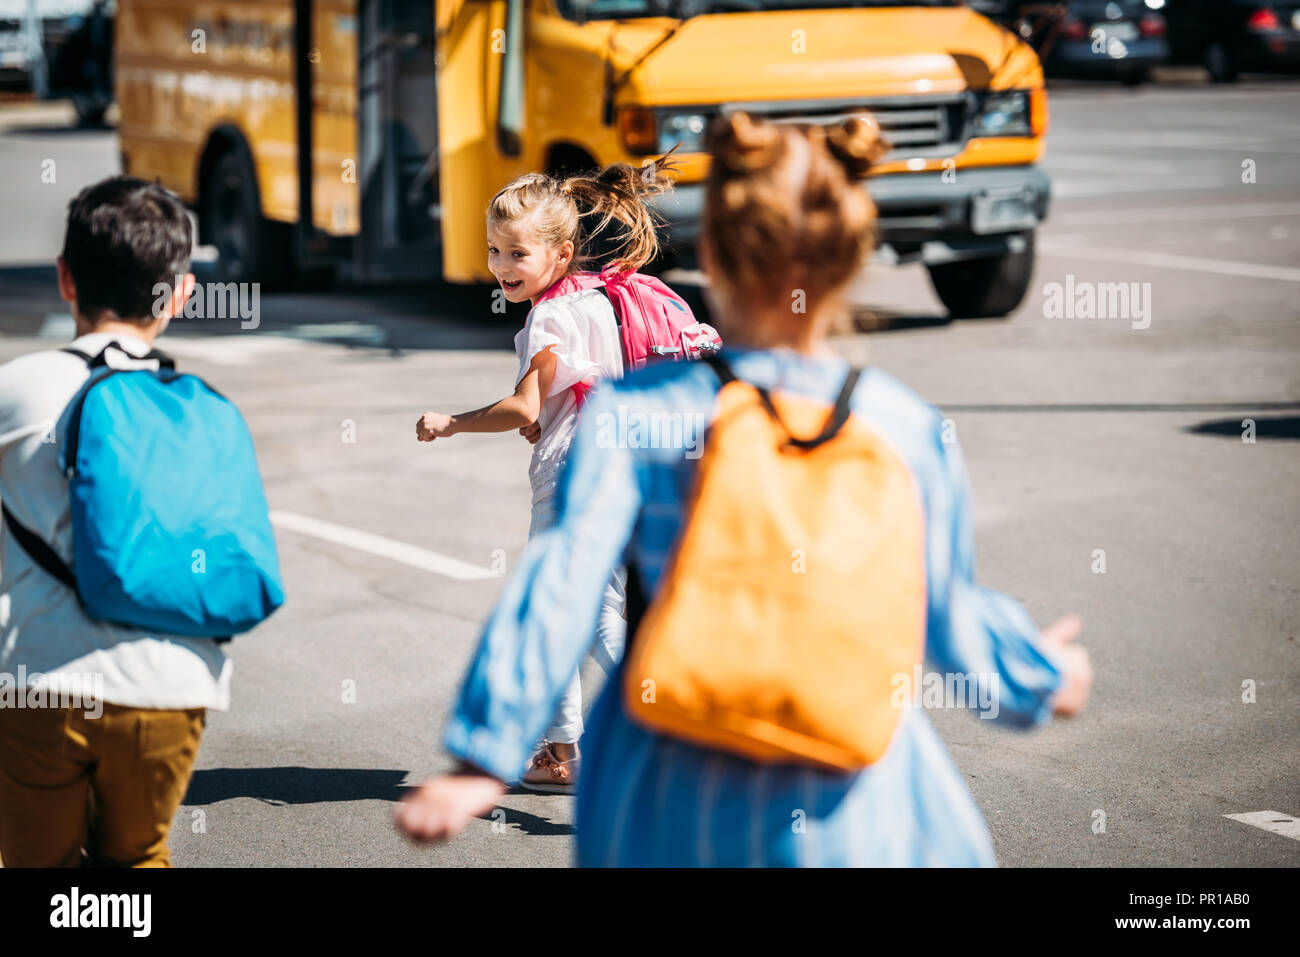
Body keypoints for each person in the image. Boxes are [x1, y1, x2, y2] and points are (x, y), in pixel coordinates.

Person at [396, 112, 1092, 865]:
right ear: (850, 261)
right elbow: (948, 610)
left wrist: (481, 760)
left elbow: (557, 586)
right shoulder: (905, 425)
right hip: (854, 797)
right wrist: (1038, 674)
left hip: (671, 796)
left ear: (715, 263)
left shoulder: (637, 417)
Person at [414, 157, 677, 792]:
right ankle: (574, 749)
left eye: (516, 253)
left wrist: (452, 421)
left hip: (570, 481)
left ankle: (642, 732)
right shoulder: (602, 298)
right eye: (494, 251)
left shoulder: (551, 316)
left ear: (561, 253)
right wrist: (548, 412)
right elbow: (575, 391)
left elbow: (524, 407)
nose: (501, 266)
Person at [0, 176, 225, 867]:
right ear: (181, 293)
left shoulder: (15, 388)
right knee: (137, 863)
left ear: (65, 278)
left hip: (40, 683)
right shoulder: (201, 406)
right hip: (173, 689)